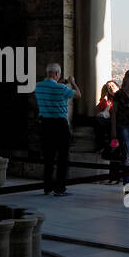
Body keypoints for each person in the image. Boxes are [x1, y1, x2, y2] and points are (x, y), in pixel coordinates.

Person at [34, 62, 80, 197]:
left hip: (45, 124)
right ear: (56, 74)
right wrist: (72, 82)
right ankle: (60, 188)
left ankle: (47, 187)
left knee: (48, 157)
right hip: (60, 125)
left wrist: (59, 82)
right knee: (62, 158)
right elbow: (78, 95)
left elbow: (51, 88)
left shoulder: (38, 86)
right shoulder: (61, 88)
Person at [110, 70, 129, 192]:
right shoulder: (119, 94)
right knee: (125, 154)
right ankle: (127, 182)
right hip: (123, 126)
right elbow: (114, 113)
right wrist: (113, 130)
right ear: (127, 79)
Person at [94, 80, 120, 184]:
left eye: (113, 86)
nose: (111, 88)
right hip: (111, 131)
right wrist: (103, 99)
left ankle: (115, 177)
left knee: (116, 152)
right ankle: (113, 177)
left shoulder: (121, 98)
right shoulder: (107, 101)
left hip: (117, 130)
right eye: (109, 87)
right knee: (113, 152)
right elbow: (97, 111)